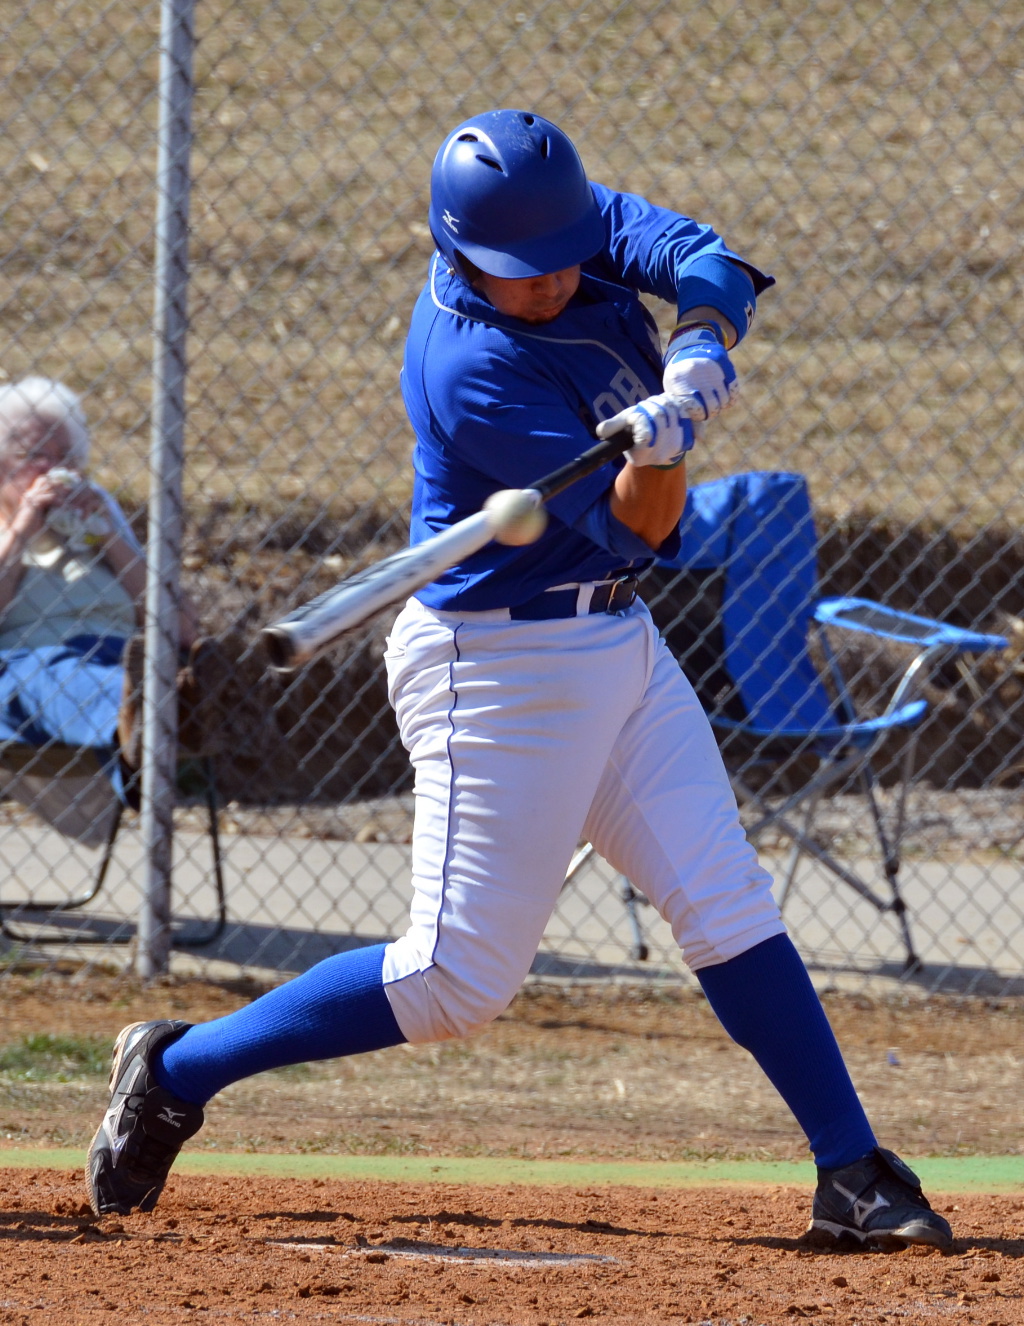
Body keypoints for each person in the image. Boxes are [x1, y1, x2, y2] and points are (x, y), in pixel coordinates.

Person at [85, 110, 952, 1252]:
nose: (547, 284)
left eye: (560, 262)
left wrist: (693, 348)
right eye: (518, 273)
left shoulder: (563, 225)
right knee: (455, 982)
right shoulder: (469, 369)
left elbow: (711, 262)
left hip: (617, 648)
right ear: (457, 253)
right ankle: (177, 1066)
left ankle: (850, 1169)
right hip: (495, 666)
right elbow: (646, 530)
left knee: (725, 900)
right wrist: (663, 449)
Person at [0, 377, 212, 843]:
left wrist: (111, 537)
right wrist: (21, 528)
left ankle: (160, 710)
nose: (53, 471)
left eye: (67, 459)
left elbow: (180, 626)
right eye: (35, 456)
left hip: (119, 654)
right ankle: (165, 713)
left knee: (152, 663)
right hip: (27, 665)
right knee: (62, 673)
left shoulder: (99, 510)